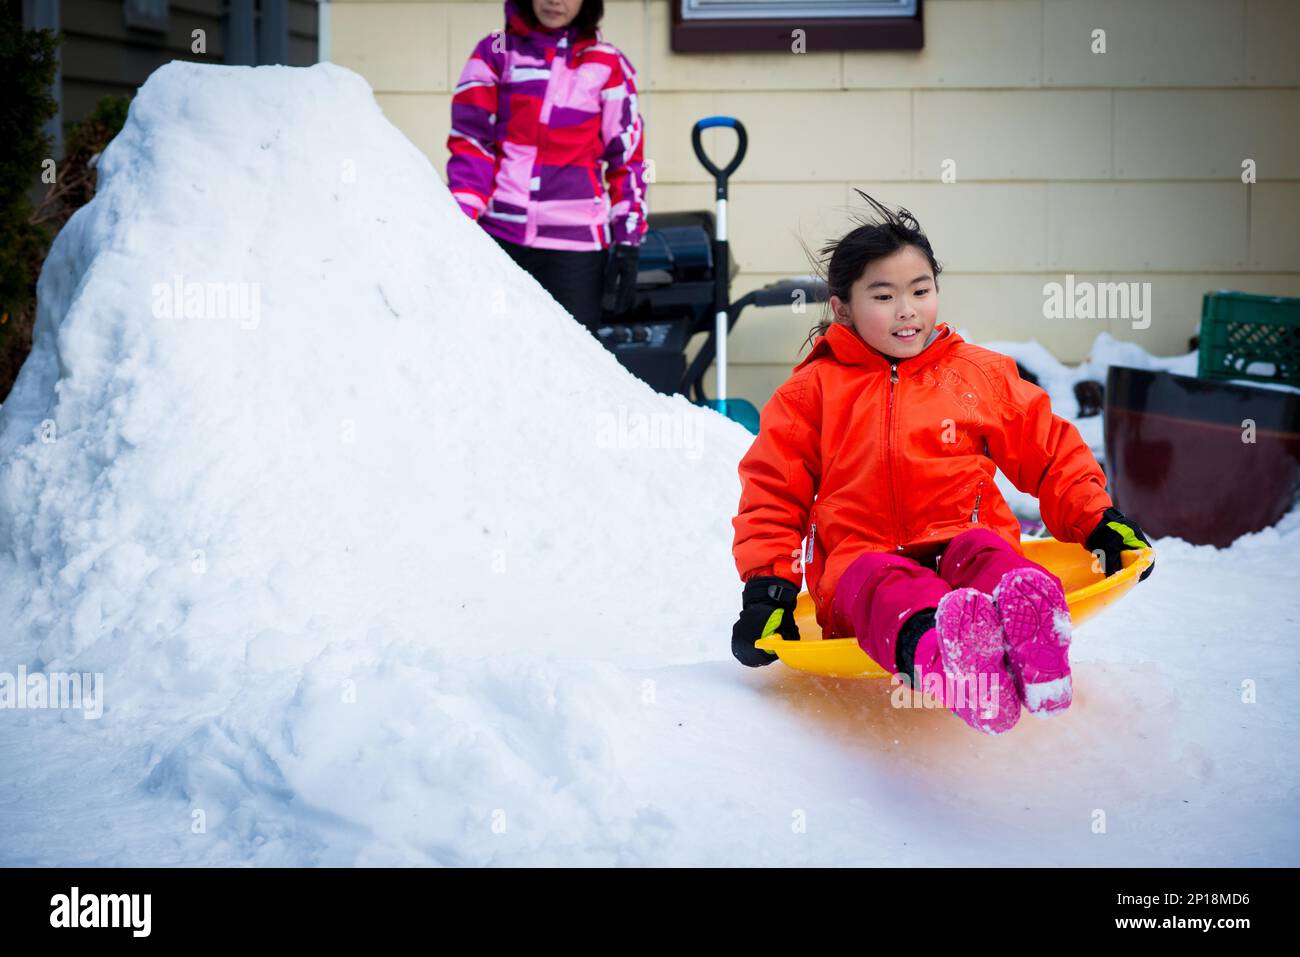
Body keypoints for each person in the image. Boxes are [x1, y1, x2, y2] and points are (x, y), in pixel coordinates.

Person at [729, 192, 1154, 736]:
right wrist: (770, 589)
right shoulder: (811, 393)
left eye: (920, 291)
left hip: (961, 538)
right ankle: (947, 659)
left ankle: (1029, 626)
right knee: (885, 583)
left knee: (983, 550)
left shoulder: (977, 376)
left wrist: (1098, 520)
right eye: (883, 296)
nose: (907, 310)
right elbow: (774, 495)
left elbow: (1048, 452)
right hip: (864, 563)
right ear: (842, 309)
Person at [446, 0, 647, 331]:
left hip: (575, 249)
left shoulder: (608, 63)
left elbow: (628, 159)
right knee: (494, 347)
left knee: (572, 364)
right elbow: (472, 141)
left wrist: (628, 240)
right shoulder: (496, 49)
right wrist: (461, 219)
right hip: (500, 236)